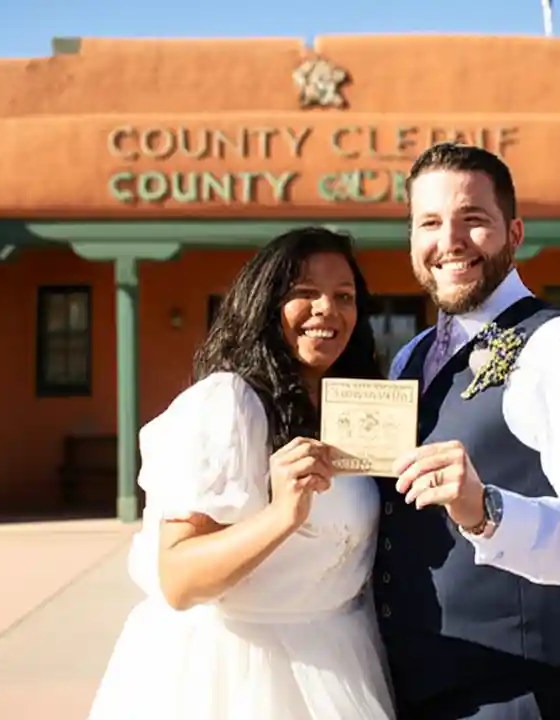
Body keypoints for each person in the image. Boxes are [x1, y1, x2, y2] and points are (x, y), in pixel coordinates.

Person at [373, 143, 560, 719]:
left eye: (473, 220)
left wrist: (487, 509)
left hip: (520, 693)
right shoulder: (410, 358)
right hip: (415, 686)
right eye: (429, 223)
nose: (449, 241)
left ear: (515, 233)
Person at [87, 226, 395, 719]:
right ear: (264, 303)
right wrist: (281, 515)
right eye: (304, 293)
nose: (327, 310)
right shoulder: (228, 404)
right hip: (237, 677)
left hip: (343, 658)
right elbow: (180, 580)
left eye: (344, 296)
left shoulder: (353, 409)